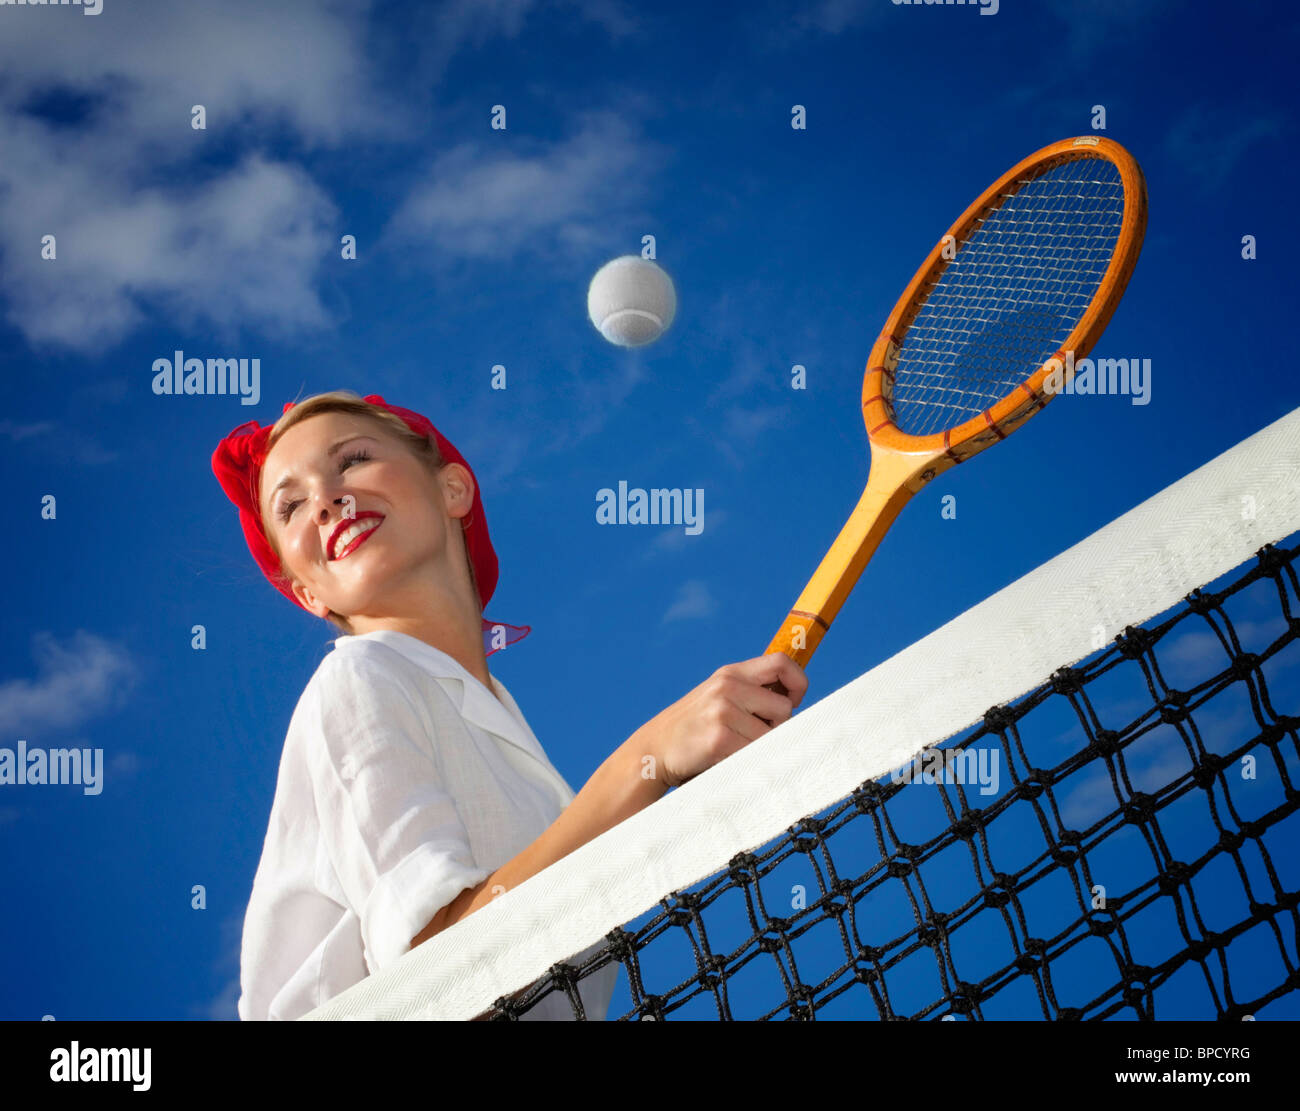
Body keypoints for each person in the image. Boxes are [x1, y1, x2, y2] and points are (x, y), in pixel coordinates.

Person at [212, 389, 808, 1020]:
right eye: (291, 504)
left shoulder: (499, 724)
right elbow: (441, 968)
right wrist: (651, 757)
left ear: (453, 491)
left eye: (353, 460)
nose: (327, 499)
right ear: (307, 593)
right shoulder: (358, 678)